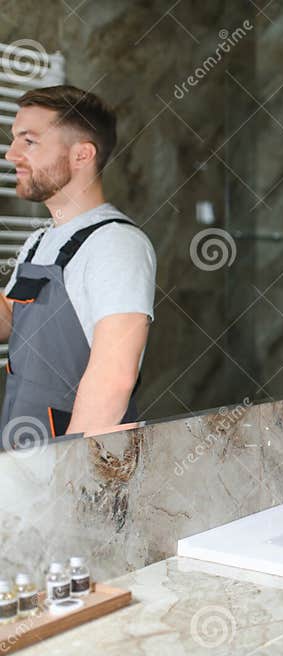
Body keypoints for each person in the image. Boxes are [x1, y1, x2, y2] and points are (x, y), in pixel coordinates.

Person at [0, 85, 155, 442]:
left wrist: (65, 481)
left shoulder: (116, 244)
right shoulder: (40, 240)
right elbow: (9, 319)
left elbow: (113, 381)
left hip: (67, 469)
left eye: (29, 141)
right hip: (23, 451)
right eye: (14, 140)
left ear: (82, 155)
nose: (11, 154)